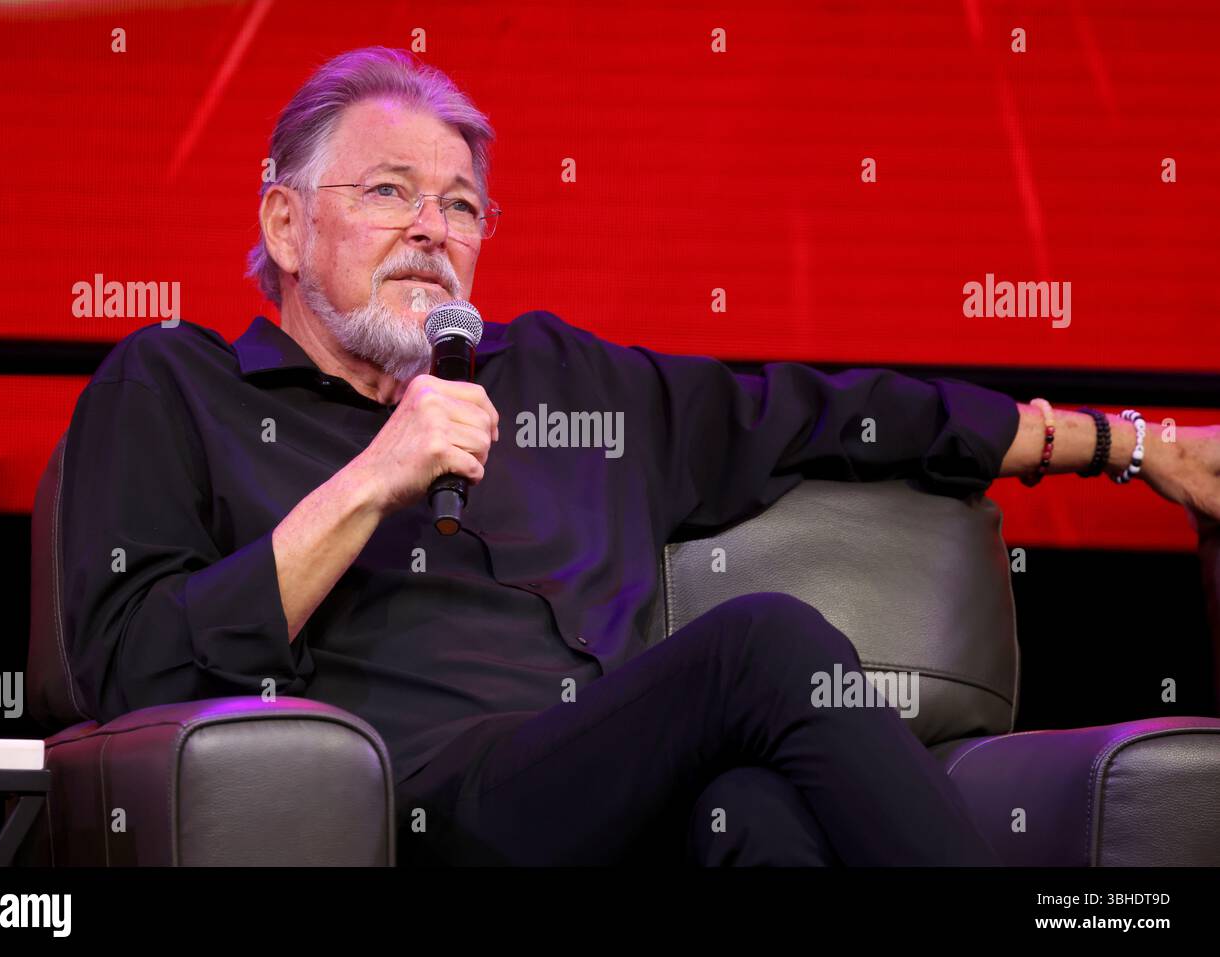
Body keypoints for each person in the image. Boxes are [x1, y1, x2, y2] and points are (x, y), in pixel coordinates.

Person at [59, 47, 1220, 866]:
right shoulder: (172, 387)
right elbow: (140, 677)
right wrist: (372, 478)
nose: (433, 228)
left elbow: (834, 412)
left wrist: (1129, 447)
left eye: (462, 206)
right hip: (406, 813)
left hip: (606, 798)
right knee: (762, 641)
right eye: (389, 193)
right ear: (284, 226)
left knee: (757, 815)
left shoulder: (572, 384)